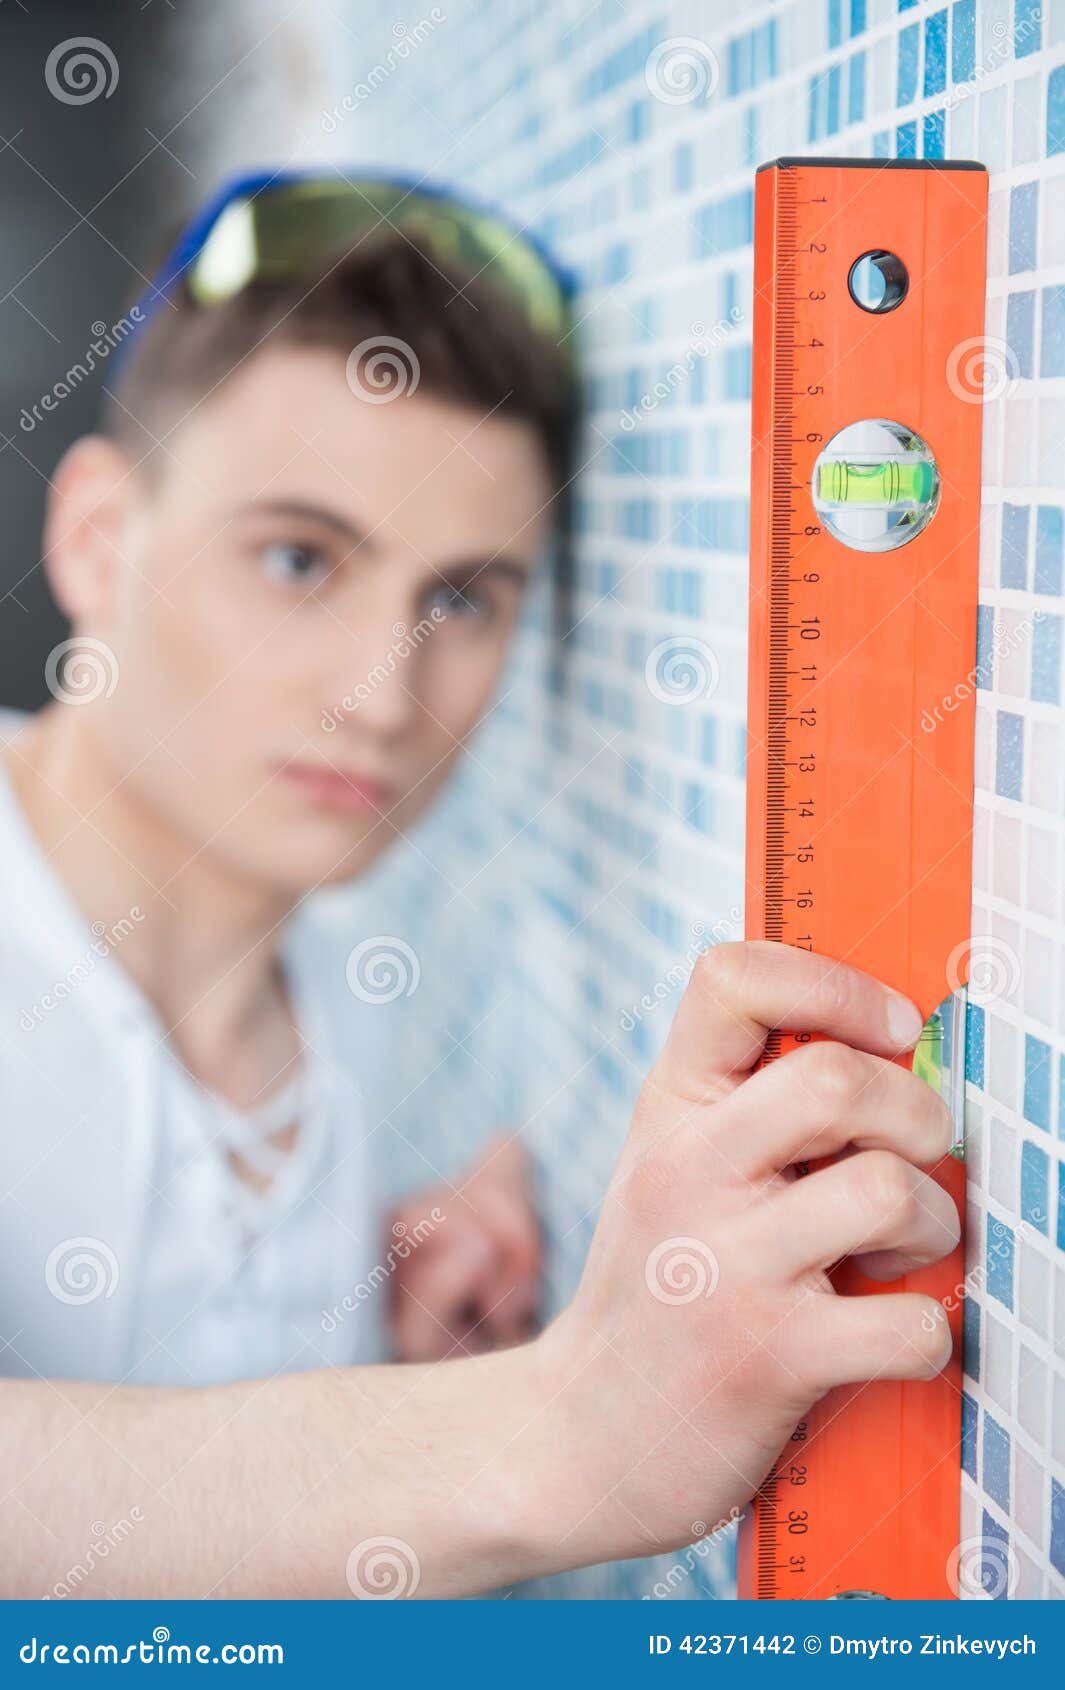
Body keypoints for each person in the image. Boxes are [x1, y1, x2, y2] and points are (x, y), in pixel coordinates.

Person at [0, 172, 958, 1598]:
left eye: (459, 597)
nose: (384, 693)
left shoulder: (341, 991)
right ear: (94, 538)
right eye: (298, 557)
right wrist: (559, 1425)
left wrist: (373, 1299)